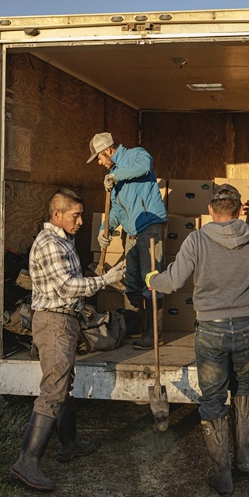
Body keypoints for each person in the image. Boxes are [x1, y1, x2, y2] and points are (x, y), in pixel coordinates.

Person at [145, 184, 249, 496]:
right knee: (243, 385)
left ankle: (222, 474)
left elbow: (173, 281)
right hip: (248, 328)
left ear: (210, 211)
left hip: (212, 328)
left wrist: (153, 280)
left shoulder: (197, 239)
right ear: (239, 209)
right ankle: (243, 458)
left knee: (213, 398)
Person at [11, 188, 126, 492]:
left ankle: (69, 444)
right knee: (54, 390)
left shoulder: (63, 241)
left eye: (81, 215)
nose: (80, 220)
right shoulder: (50, 243)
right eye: (75, 215)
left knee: (64, 384)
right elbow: (67, 285)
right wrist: (106, 280)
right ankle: (27, 462)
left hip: (65, 321)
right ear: (57, 214)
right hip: (55, 322)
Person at [87, 132, 168, 350]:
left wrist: (117, 176)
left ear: (107, 150)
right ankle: (134, 327)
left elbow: (144, 166)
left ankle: (154, 334)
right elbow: (115, 211)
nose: (100, 163)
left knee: (152, 281)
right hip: (132, 233)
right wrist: (104, 230)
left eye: (99, 158)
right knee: (131, 282)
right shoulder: (113, 176)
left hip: (149, 227)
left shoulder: (136, 155)